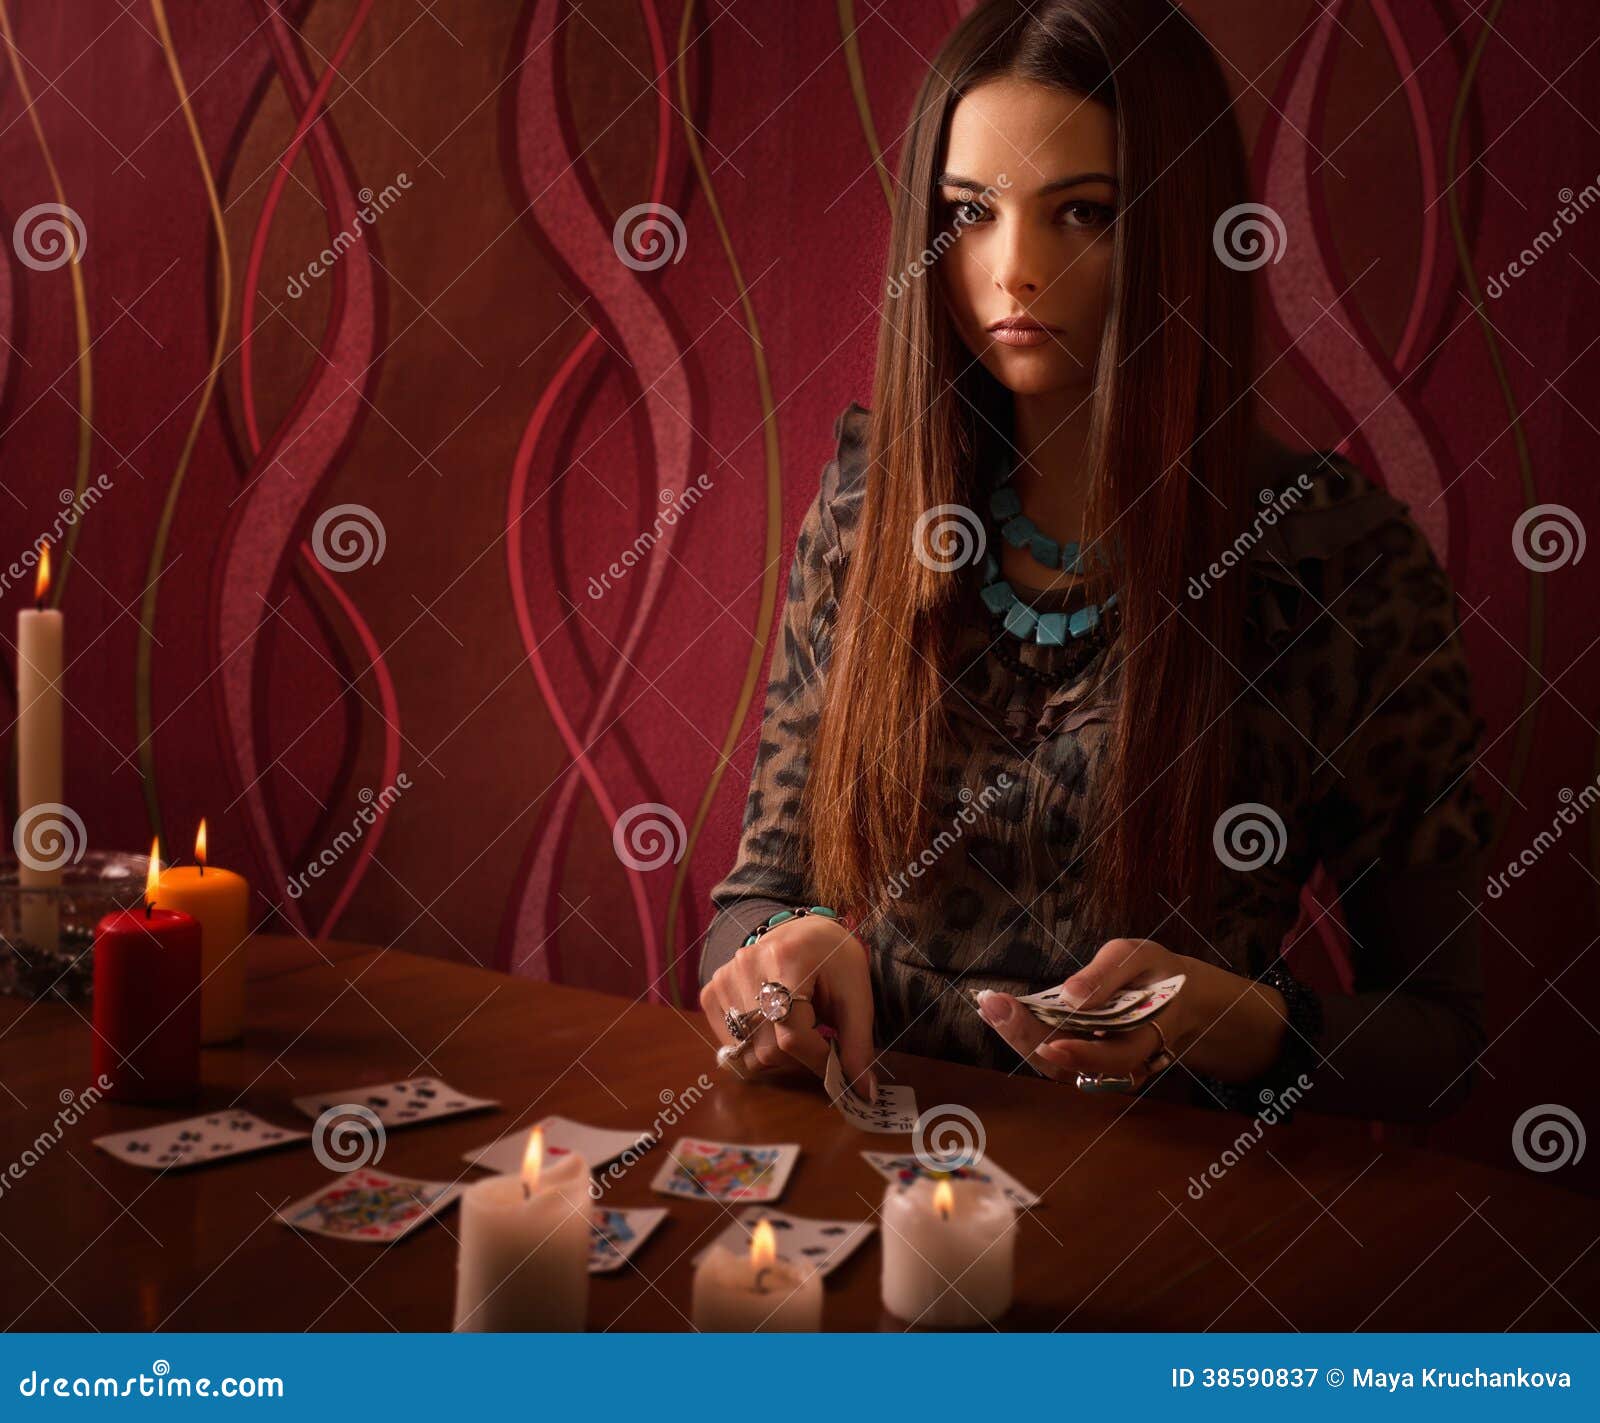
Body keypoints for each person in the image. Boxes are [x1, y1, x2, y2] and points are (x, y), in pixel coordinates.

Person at [698, 0, 1491, 1123]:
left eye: (1083, 213)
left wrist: (1254, 1024)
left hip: (1169, 1193)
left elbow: (1444, 1039)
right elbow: (754, 900)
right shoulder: (869, 512)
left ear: (1179, 233)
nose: (1014, 268)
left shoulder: (1337, 566)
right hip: (875, 1159)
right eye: (969, 213)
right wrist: (780, 955)